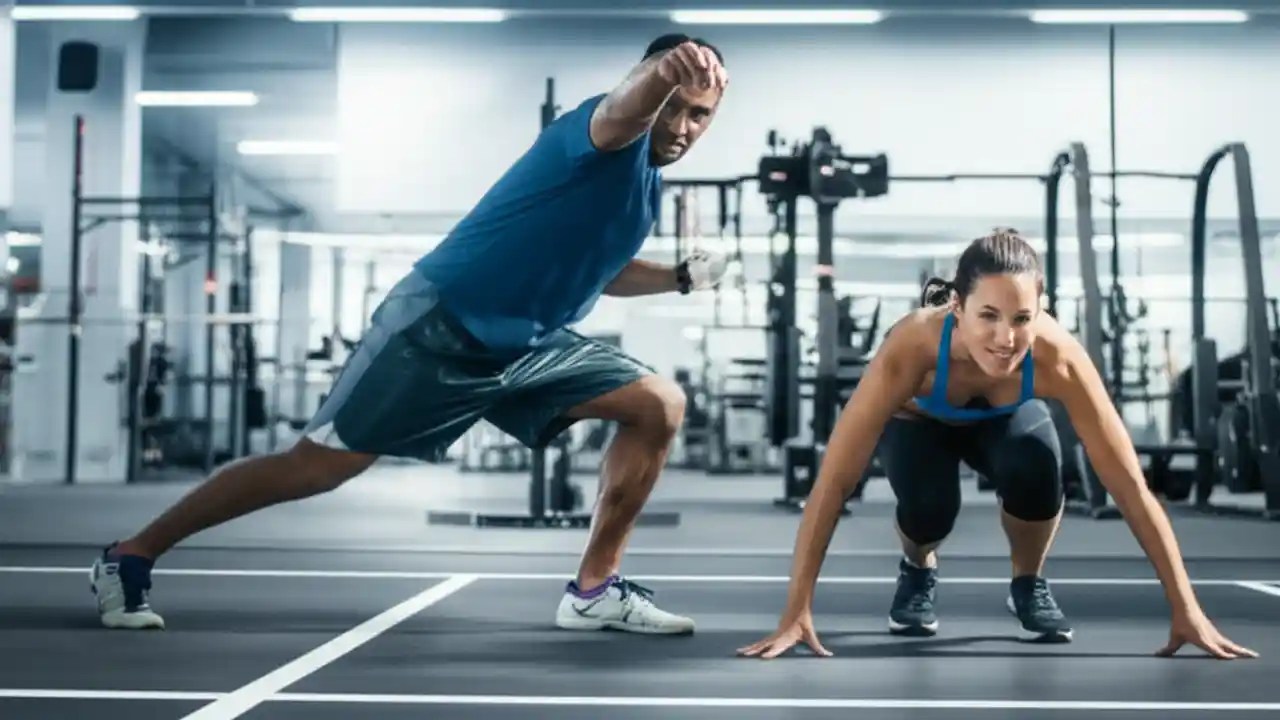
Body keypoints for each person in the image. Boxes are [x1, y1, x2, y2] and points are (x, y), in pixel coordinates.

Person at [90, 33, 730, 635]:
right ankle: (131, 556)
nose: (680, 126)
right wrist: (659, 77)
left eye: (697, 115)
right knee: (313, 469)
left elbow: (605, 271)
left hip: (526, 344)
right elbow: (627, 107)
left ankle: (593, 592)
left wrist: (678, 277)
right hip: (439, 326)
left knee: (657, 404)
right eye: (671, 107)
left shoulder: (644, 190)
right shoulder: (599, 133)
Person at [738, 228, 1258, 661]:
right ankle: (918, 568)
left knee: (1035, 464)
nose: (1005, 338)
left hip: (1006, 417)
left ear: (1042, 310)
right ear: (958, 307)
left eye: (1021, 319)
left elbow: (1129, 488)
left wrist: (1186, 607)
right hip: (919, 423)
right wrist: (796, 610)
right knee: (931, 507)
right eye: (988, 316)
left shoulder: (1060, 358)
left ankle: (1027, 583)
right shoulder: (912, 345)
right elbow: (834, 480)